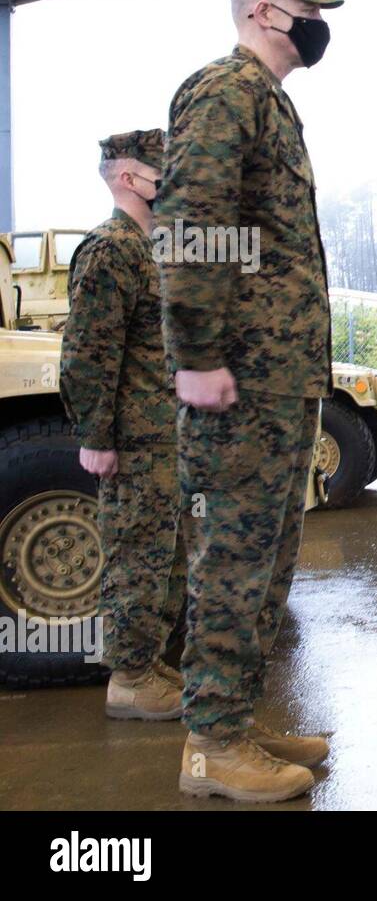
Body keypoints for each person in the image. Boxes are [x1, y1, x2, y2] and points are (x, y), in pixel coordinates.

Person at [156, 0, 342, 802]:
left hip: (276, 385)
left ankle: (234, 721)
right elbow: (192, 225)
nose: (319, 21)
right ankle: (211, 749)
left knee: (264, 564)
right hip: (238, 386)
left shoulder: (268, 102)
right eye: (308, 6)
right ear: (266, 11)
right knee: (231, 561)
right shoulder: (225, 92)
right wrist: (195, 357)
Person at [60, 129, 185, 720]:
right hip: (134, 442)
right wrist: (95, 438)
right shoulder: (110, 249)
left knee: (163, 558)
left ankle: (150, 661)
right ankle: (130, 679)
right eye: (165, 171)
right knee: (136, 557)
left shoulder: (151, 245)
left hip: (164, 437)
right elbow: (88, 353)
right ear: (130, 179)